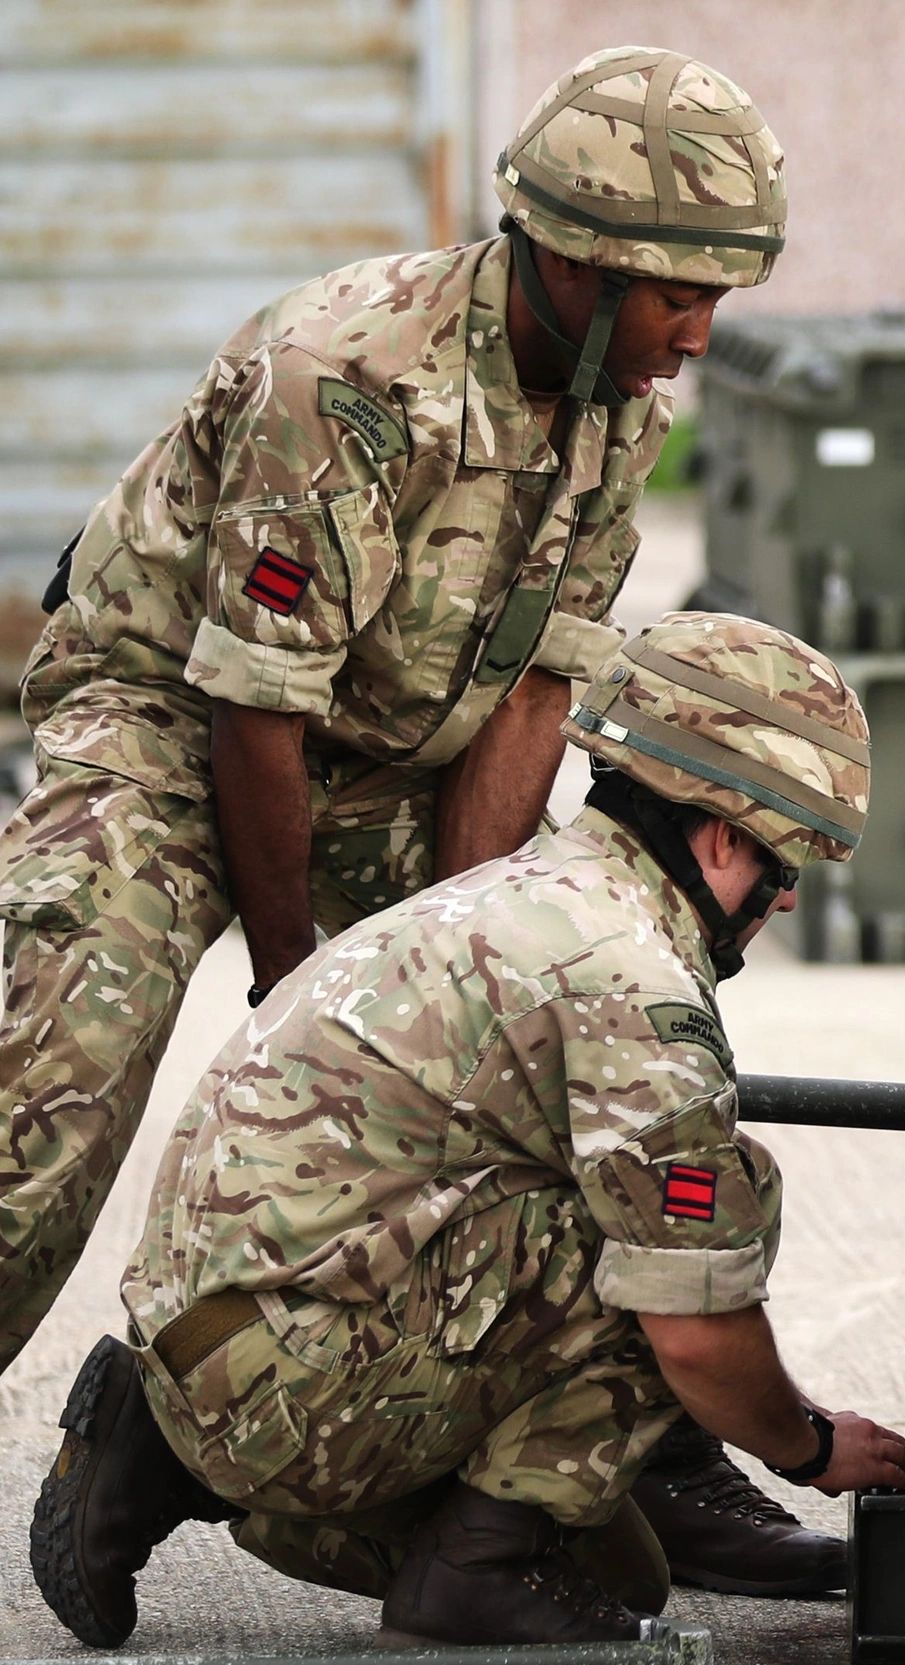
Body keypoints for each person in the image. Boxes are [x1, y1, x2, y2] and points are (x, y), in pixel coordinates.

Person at [0, 46, 787, 1383]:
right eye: (679, 295)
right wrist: (297, 995)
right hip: (169, 730)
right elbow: (253, 711)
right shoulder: (348, 379)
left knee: (557, 1039)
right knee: (63, 1073)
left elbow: (535, 692)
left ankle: (594, 1442)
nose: (699, 335)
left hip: (385, 754)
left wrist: (458, 963)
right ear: (582, 266)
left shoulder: (618, 413)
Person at [30, 613, 905, 1650]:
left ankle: (159, 1453)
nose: (786, 896)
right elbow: (696, 1324)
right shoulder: (633, 987)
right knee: (702, 1215)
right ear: (723, 835)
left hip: (219, 1343)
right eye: (785, 862)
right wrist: (807, 1446)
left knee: (620, 1573)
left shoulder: (519, 893)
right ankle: (472, 1564)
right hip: (286, 1388)